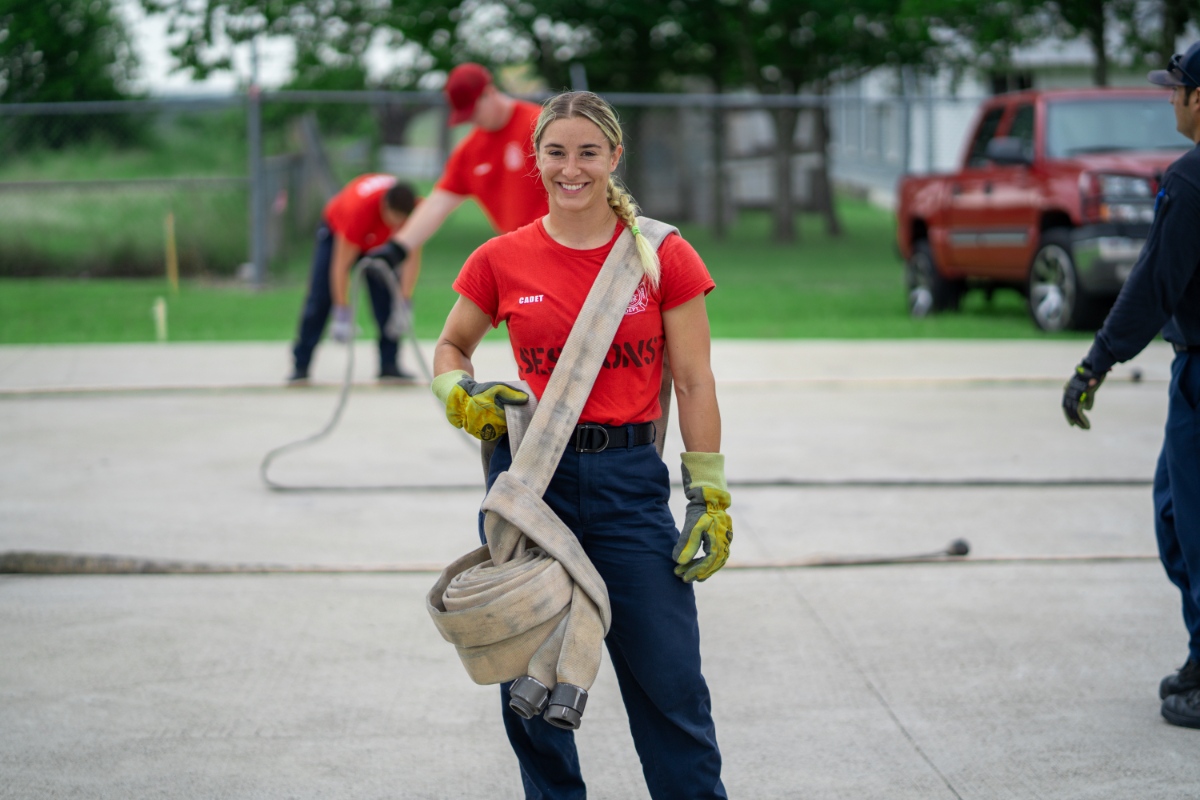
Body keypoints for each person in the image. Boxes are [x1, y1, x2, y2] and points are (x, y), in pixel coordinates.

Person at [430, 91, 731, 798]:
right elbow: (451, 346)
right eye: (557, 152)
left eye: (588, 152)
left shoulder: (663, 255)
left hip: (629, 488)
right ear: (536, 160)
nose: (572, 168)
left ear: (614, 157)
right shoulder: (499, 259)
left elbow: (694, 381)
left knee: (671, 686)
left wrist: (709, 495)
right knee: (528, 695)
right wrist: (457, 394)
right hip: (533, 485)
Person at [1062, 40, 1200, 730]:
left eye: (1175, 89)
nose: (1170, 99)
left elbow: (1153, 285)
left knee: (1191, 526)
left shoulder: (1191, 180)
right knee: (1176, 512)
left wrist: (1097, 362)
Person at [371, 63, 548, 267]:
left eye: (474, 110)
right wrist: (397, 248)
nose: (473, 119)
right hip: (518, 255)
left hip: (559, 247)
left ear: (489, 92)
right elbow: (437, 204)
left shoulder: (540, 126)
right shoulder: (470, 152)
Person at [288, 175, 421, 383]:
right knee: (321, 297)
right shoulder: (358, 211)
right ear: (384, 206)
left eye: (402, 220)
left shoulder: (417, 210)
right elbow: (340, 266)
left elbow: (411, 256)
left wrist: (404, 301)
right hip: (338, 232)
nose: (398, 224)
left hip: (379, 241)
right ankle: (301, 365)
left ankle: (389, 364)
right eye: (394, 217)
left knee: (387, 294)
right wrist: (342, 310)